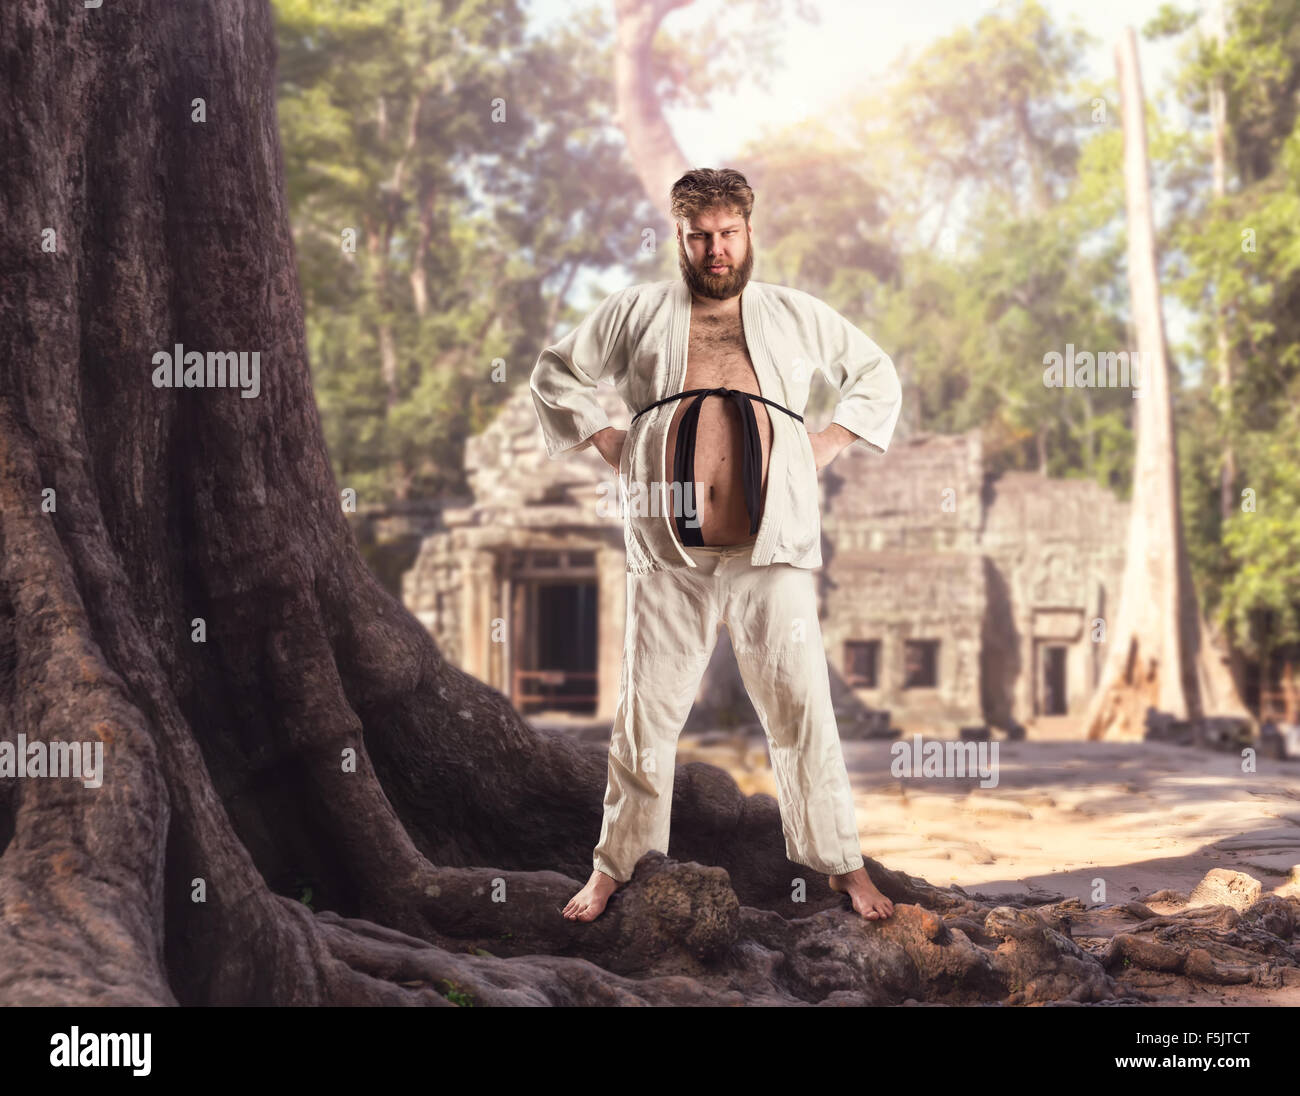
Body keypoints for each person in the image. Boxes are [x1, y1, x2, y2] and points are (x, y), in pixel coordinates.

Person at [530, 167, 902, 922]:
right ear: (678, 236)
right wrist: (607, 439)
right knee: (647, 711)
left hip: (775, 550)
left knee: (802, 708)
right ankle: (614, 867)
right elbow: (555, 372)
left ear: (749, 231)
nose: (715, 249)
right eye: (699, 235)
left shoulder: (794, 315)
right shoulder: (637, 311)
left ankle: (842, 867)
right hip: (670, 555)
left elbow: (874, 373)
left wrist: (825, 442)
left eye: (728, 232)